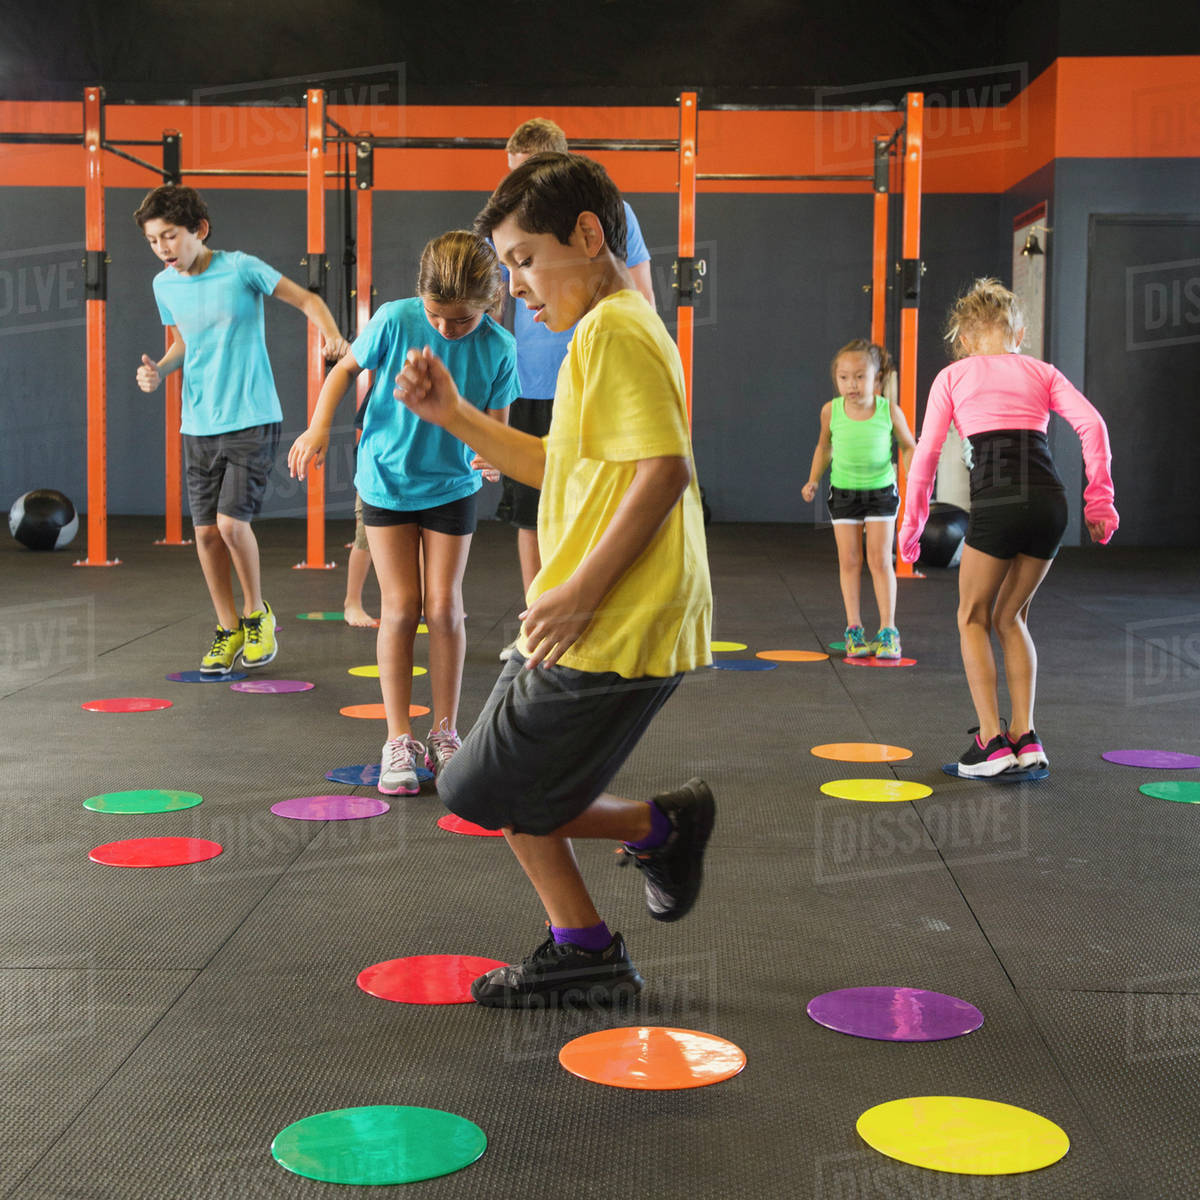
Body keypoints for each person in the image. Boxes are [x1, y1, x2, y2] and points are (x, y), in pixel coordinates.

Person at [395, 152, 713, 1009]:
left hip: (614, 620)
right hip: (581, 616)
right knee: (501, 786)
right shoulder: (596, 335)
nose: (516, 287)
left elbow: (666, 471)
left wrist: (580, 593)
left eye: (526, 260)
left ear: (589, 234)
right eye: (507, 268)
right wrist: (453, 414)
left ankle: (659, 829)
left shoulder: (617, 329)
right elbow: (554, 465)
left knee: (480, 786)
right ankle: (585, 945)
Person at [289, 231, 517, 794]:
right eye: (436, 315)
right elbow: (344, 370)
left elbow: (498, 427)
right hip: (386, 481)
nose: (445, 328)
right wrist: (318, 426)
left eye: (461, 320)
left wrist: (493, 455)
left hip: (452, 484)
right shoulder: (395, 319)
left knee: (444, 606)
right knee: (401, 608)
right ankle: (398, 738)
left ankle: (445, 731)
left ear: (489, 303)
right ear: (422, 297)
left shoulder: (500, 347)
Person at [899, 277, 1118, 776]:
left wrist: (911, 528)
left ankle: (992, 744)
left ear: (965, 338)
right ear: (1017, 334)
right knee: (1011, 616)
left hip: (999, 503)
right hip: (1049, 503)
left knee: (971, 617)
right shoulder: (1042, 371)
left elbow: (926, 456)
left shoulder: (953, 376)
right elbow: (1093, 426)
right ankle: (1027, 736)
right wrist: (1100, 502)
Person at [134, 184, 349, 674]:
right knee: (207, 534)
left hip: (251, 417)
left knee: (232, 524)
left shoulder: (241, 268)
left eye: (170, 235)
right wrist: (159, 372)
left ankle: (256, 614)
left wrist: (333, 336)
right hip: (198, 423)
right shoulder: (164, 285)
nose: (163, 248)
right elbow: (185, 341)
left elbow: (308, 300)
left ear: (200, 229)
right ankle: (227, 627)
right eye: (153, 240)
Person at [496, 118, 657, 659]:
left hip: (591, 380)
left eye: (526, 175)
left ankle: (585, 615)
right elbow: (500, 302)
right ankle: (538, 625)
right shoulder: (513, 230)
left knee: (596, 500)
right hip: (531, 381)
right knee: (531, 509)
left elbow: (641, 295)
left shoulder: (615, 320)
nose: (516, 188)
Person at [803, 340, 915, 659]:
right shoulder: (831, 411)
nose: (851, 384)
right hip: (844, 493)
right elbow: (824, 446)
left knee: (879, 560)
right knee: (850, 561)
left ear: (876, 378)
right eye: (844, 377)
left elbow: (908, 446)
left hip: (880, 493)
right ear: (836, 379)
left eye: (860, 377)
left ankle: (888, 630)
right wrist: (813, 479)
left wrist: (914, 476)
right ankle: (854, 629)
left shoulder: (888, 410)